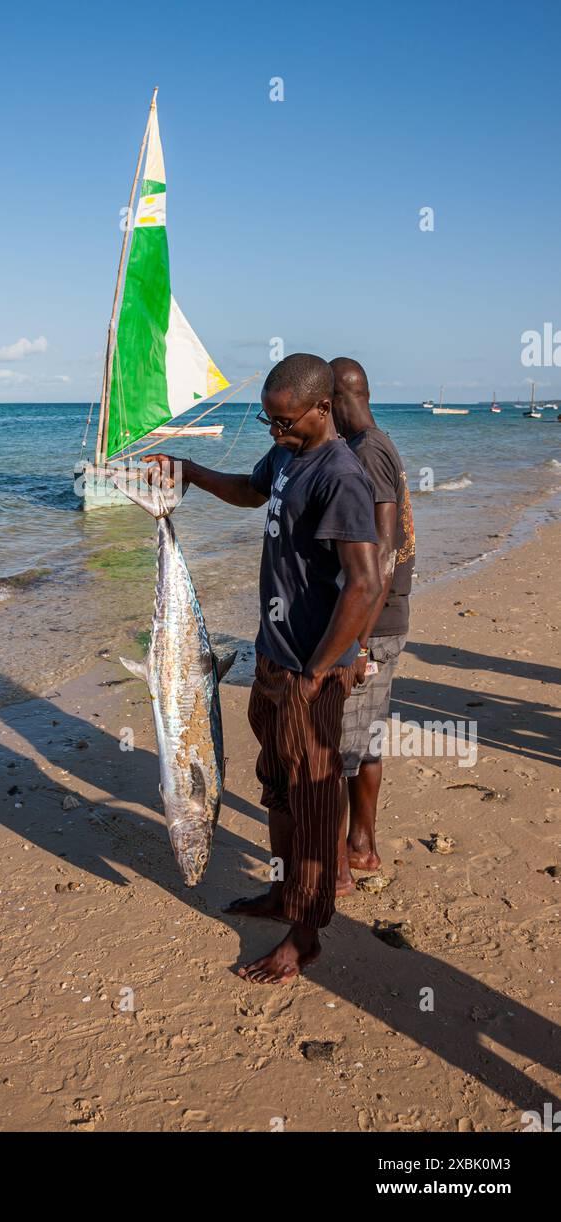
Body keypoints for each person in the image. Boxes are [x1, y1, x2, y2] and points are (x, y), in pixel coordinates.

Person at [145, 353, 380, 985]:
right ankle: (280, 894)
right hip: (272, 659)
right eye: (267, 420)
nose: (274, 431)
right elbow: (250, 494)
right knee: (275, 785)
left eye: (284, 421)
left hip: (310, 670)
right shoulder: (284, 457)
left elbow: (365, 582)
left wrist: (321, 669)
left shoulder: (341, 476)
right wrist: (188, 471)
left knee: (310, 801)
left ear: (322, 408)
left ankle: (305, 938)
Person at [329, 357, 415, 888]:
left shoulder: (367, 454)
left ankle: (336, 870)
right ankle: (360, 847)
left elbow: (380, 559)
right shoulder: (376, 444)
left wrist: (356, 644)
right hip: (383, 621)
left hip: (374, 627)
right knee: (367, 743)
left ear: (337, 399)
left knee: (339, 749)